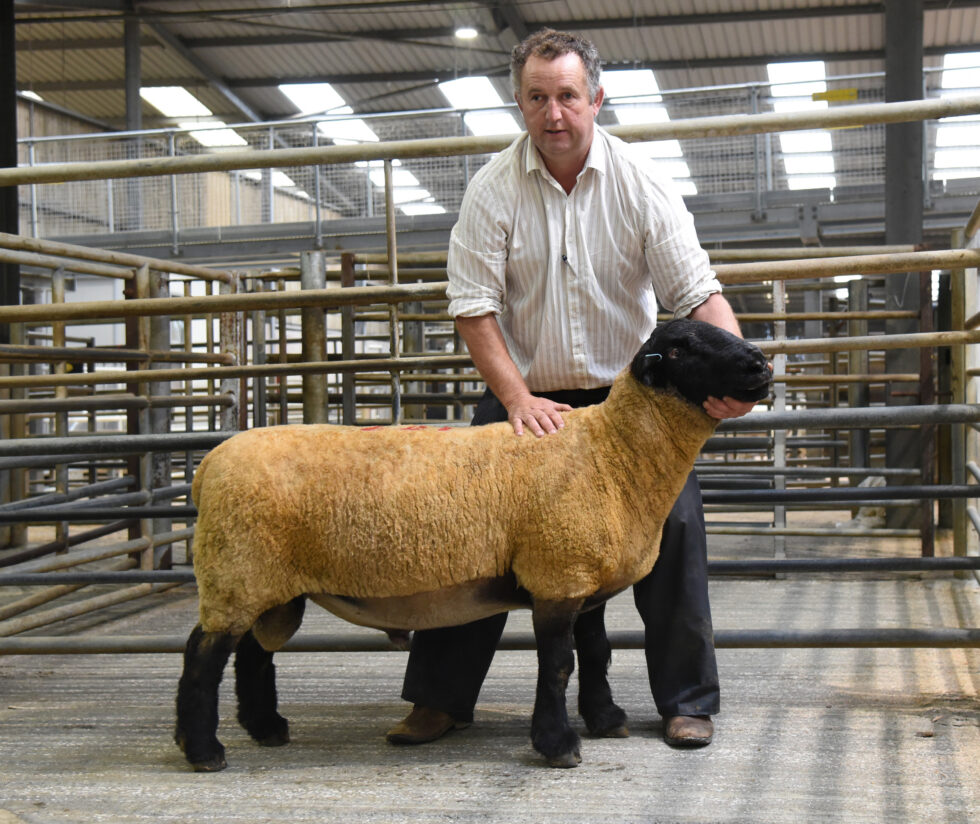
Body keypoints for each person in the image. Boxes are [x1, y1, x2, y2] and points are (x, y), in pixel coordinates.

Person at [386, 28, 761, 749]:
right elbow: (474, 305)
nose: (553, 113)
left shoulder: (641, 182)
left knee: (674, 527)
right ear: (519, 103)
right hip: (528, 399)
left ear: (595, 98)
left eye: (566, 96)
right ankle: (440, 698)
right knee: (474, 529)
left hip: (634, 407)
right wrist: (519, 399)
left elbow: (697, 296)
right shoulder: (493, 188)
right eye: (536, 98)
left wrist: (736, 370)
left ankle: (688, 699)